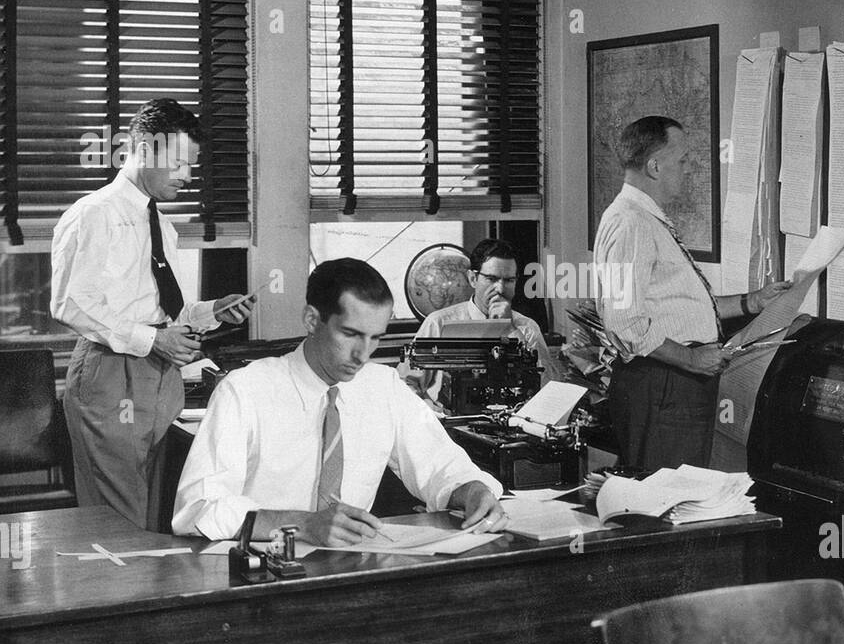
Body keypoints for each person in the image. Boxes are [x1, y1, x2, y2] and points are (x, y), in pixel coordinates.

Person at [172, 258, 507, 545]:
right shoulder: (244, 390)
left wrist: (473, 490)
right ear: (312, 320)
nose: (363, 355)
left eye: (375, 338)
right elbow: (196, 510)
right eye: (350, 334)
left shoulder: (383, 386)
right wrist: (301, 524)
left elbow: (441, 466)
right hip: (264, 575)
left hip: (348, 573)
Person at [51, 99, 254, 529]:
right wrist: (153, 340)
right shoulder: (94, 214)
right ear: (143, 148)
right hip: (110, 372)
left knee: (155, 513)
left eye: (192, 166)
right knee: (120, 519)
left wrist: (214, 312)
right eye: (179, 163)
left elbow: (165, 313)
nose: (187, 176)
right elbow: (70, 302)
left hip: (161, 377)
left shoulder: (162, 225)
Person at [592, 115, 791, 472]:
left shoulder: (644, 218)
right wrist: (693, 359)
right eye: (682, 159)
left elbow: (676, 307)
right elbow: (624, 322)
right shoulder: (631, 223)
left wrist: (752, 302)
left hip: (671, 383)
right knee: (665, 501)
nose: (688, 167)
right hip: (665, 383)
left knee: (676, 496)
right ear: (655, 166)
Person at [406, 238, 563, 410]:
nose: (500, 289)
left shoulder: (527, 327)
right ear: (473, 278)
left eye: (509, 280)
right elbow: (406, 384)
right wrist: (427, 408)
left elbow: (548, 386)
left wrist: (510, 329)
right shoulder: (437, 323)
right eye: (491, 279)